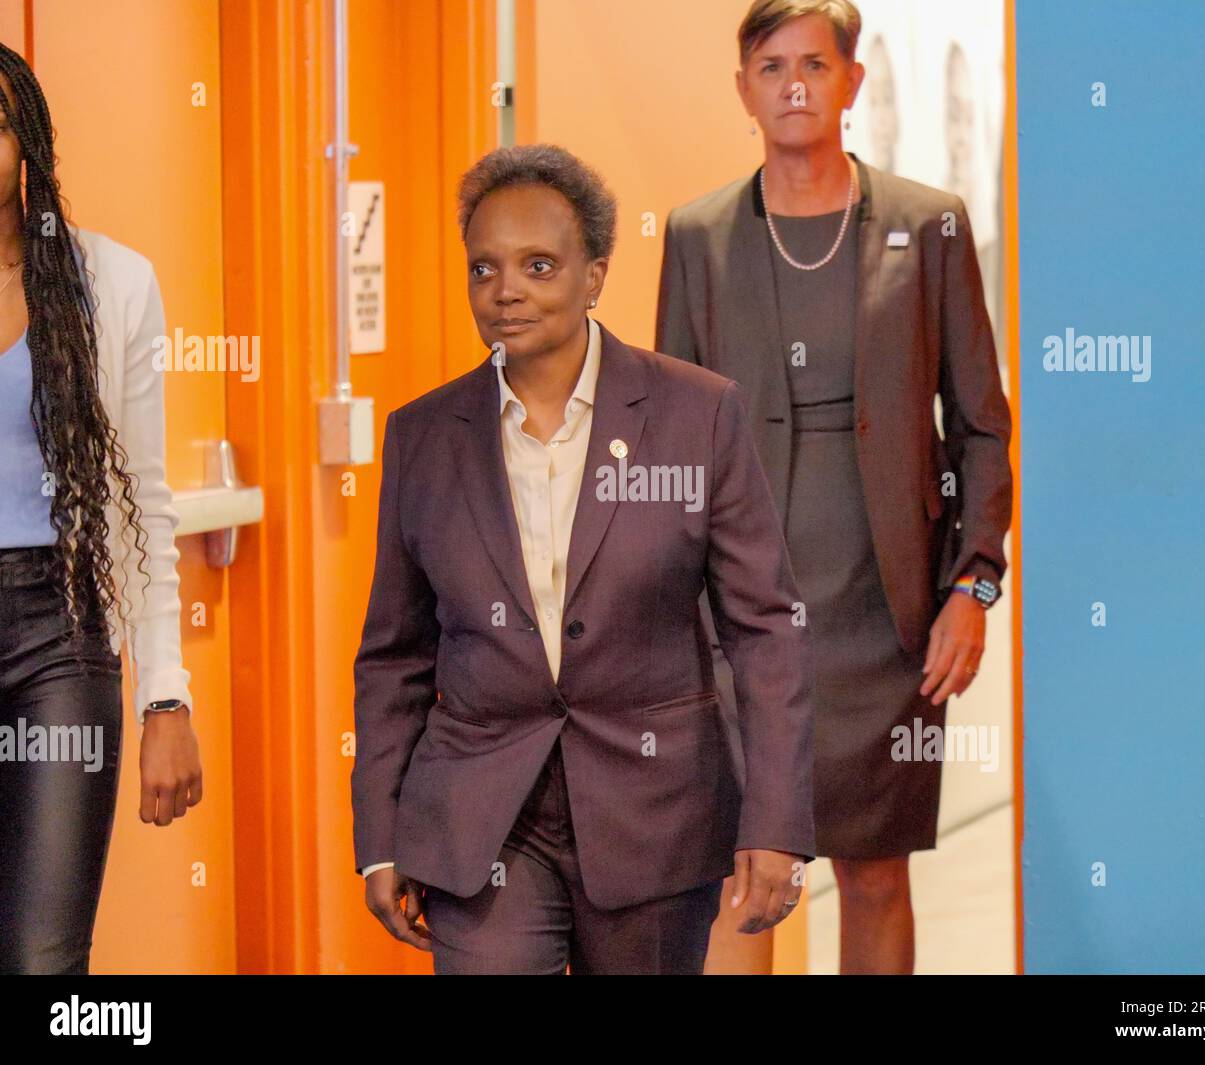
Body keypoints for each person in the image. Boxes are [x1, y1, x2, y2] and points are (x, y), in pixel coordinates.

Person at [351, 143, 815, 975]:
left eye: (537, 264)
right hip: (485, 815)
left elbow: (765, 629)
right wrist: (380, 838)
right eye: (483, 268)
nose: (506, 290)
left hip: (655, 815)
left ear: (594, 274)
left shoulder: (697, 415)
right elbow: (394, 654)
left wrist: (774, 820)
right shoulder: (422, 436)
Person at [655, 0, 1013, 974]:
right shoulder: (697, 237)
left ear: (853, 81)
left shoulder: (926, 224)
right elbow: (666, 449)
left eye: (814, 63)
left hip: (884, 623)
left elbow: (980, 424)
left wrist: (971, 587)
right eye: (771, 67)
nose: (795, 85)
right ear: (743, 89)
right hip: (739, 625)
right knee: (744, 876)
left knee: (874, 875)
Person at [0, 44, 203, 975]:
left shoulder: (110, 283)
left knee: (41, 961)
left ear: (28, 139)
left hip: (60, 630)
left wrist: (166, 693)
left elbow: (145, 504)